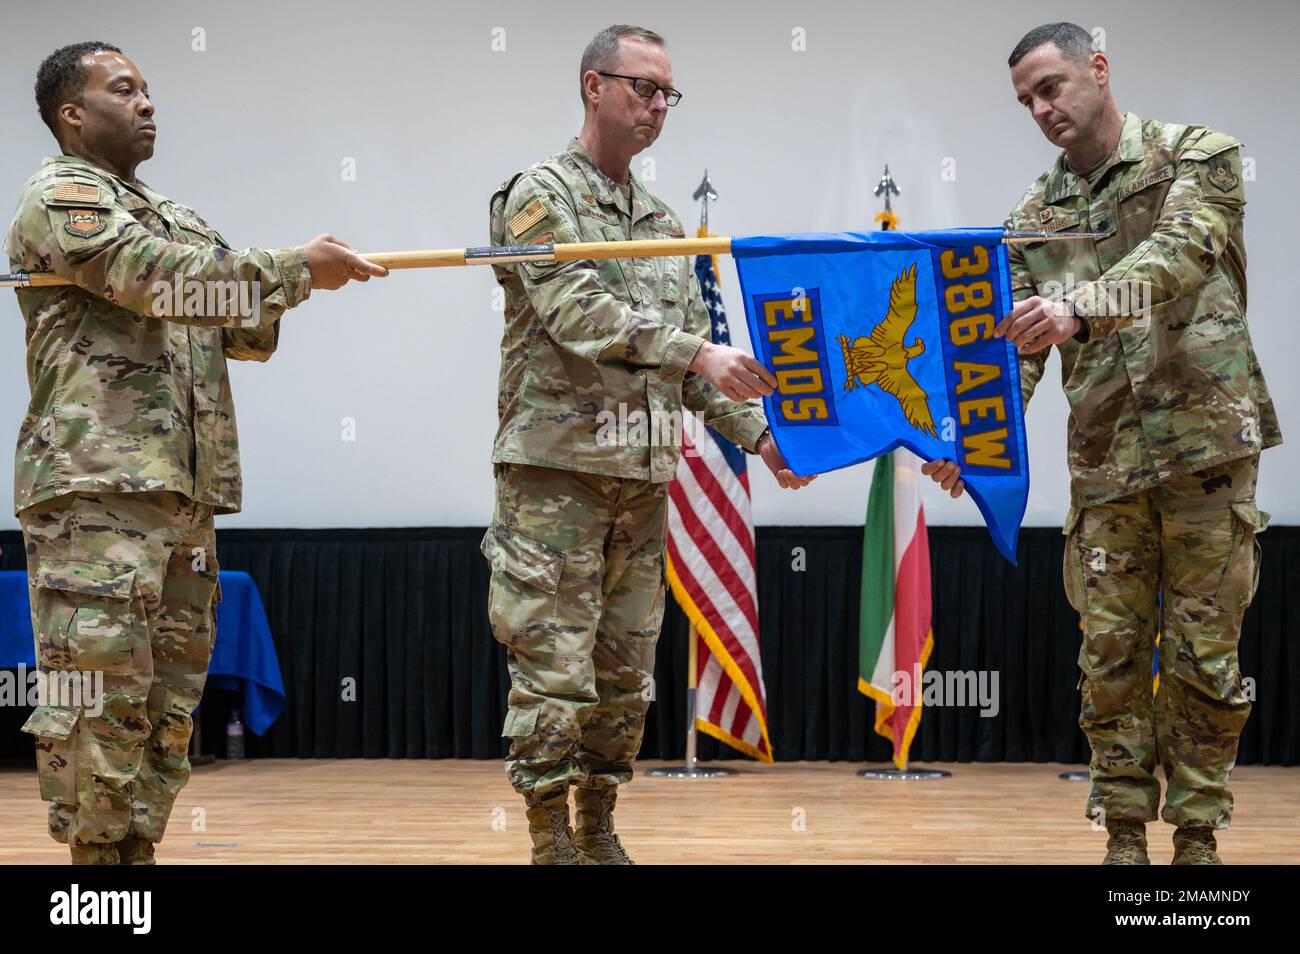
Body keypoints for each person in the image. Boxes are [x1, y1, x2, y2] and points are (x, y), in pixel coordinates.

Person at [6, 41, 387, 864]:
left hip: (184, 491)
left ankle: (133, 867)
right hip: (95, 489)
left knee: (169, 708)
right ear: (72, 114)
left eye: (149, 91)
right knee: (98, 699)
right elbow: (157, 278)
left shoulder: (177, 215)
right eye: (124, 90)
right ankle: (94, 886)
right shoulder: (61, 195)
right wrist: (289, 267)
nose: (147, 104)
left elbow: (245, 331)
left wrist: (297, 275)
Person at [925, 22, 1280, 864]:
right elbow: (1014, 358)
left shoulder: (1199, 155)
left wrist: (1082, 304)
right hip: (1108, 466)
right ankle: (1123, 836)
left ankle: (1197, 836)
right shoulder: (1031, 220)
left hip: (1206, 455)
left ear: (1098, 67)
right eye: (1026, 101)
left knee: (1206, 659)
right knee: (1110, 658)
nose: (1042, 109)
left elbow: (1183, 251)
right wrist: (974, 442)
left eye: (1051, 87)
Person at [484, 24, 814, 864]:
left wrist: (764, 438)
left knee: (626, 673)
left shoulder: (663, 223)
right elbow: (576, 314)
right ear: (594, 86)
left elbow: (697, 365)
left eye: (669, 94)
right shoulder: (536, 195)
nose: (658, 107)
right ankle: (549, 834)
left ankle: (599, 824)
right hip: (558, 474)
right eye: (643, 88)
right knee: (552, 667)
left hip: (644, 476)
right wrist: (697, 351)